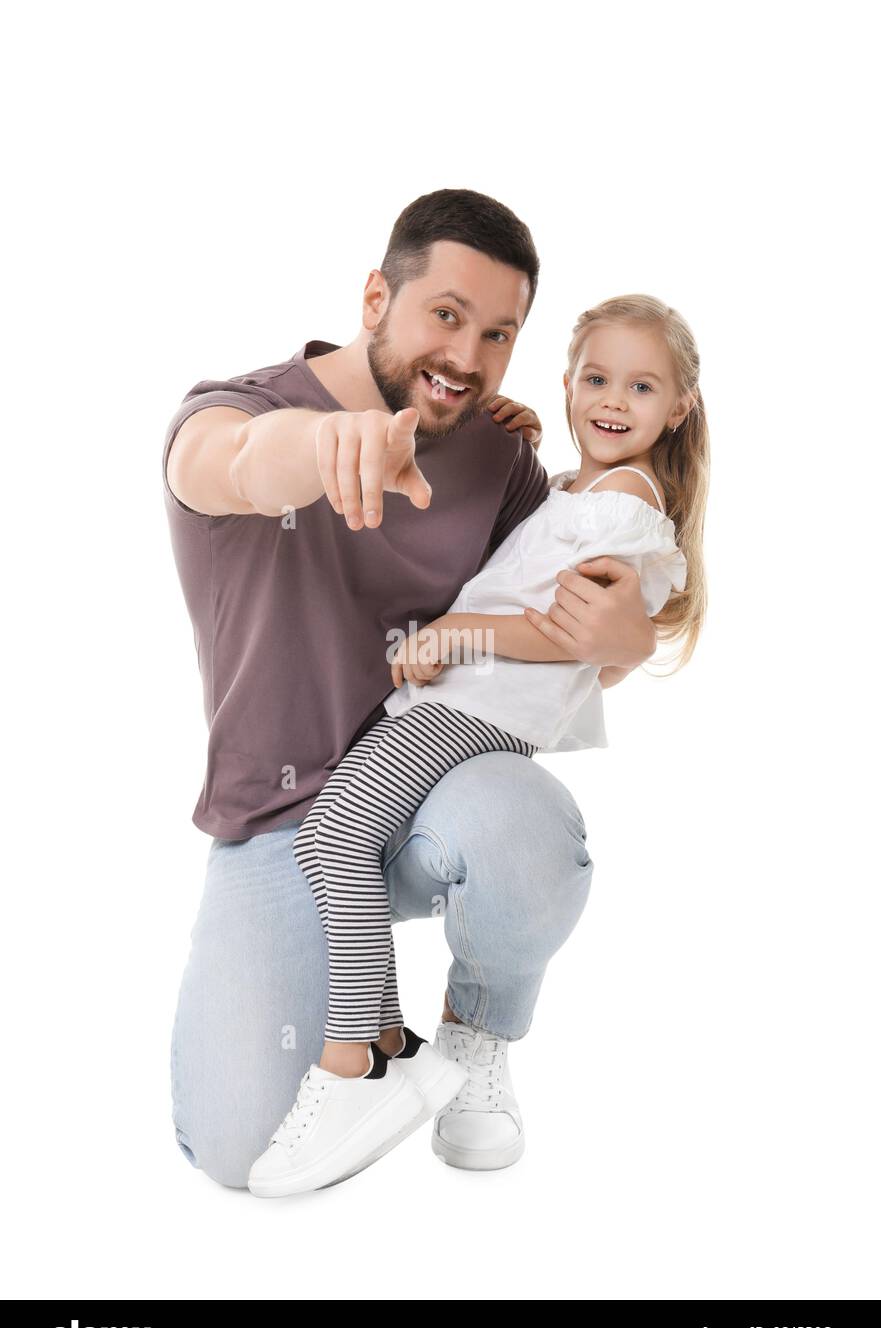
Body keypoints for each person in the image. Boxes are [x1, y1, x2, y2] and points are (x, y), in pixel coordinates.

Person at [164, 190, 659, 1191]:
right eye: (444, 316)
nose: (468, 358)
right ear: (375, 295)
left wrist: (628, 643)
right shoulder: (245, 410)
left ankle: (470, 1043)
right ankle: (377, 1037)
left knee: (524, 835)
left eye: (497, 334)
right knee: (233, 1146)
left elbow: (560, 618)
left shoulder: (500, 452)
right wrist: (321, 446)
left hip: (434, 778)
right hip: (279, 815)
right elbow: (230, 464)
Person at [247, 294, 707, 1196]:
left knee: (334, 838)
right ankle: (386, 1043)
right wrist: (524, 438)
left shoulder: (623, 503)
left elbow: (567, 632)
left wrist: (456, 629)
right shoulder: (584, 489)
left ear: (678, 407)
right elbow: (532, 566)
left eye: (641, 386)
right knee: (338, 839)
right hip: (468, 705)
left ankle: (352, 1068)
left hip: (478, 709)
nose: (612, 400)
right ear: (568, 382)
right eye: (595, 377)